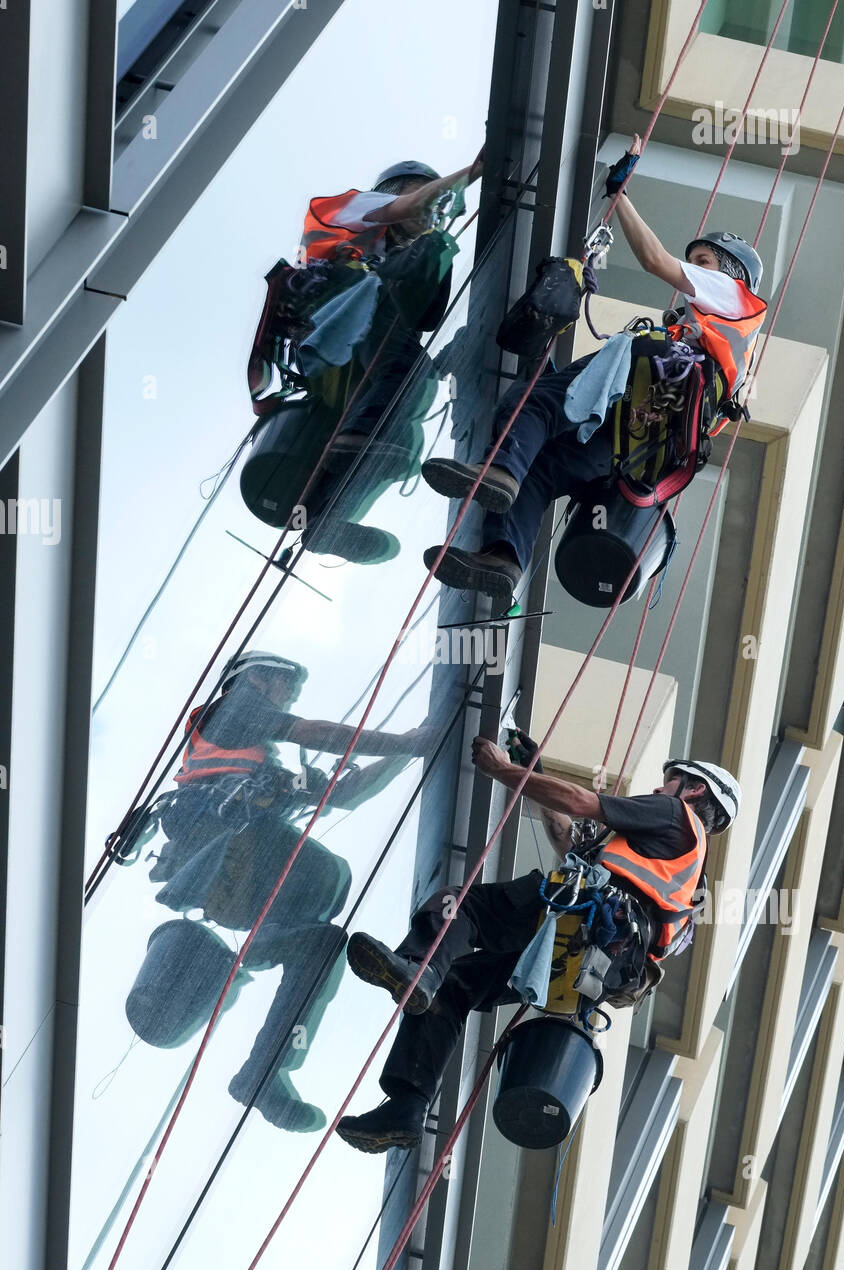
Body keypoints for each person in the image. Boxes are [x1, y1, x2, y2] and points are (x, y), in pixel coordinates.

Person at [336, 734, 740, 1153]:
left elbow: (581, 802)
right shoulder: (688, 881)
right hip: (582, 970)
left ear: (694, 789)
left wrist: (502, 770)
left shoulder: (674, 814)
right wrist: (536, 771)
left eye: (671, 780)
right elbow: (568, 840)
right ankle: (406, 1106)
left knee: (464, 906)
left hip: (581, 915)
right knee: (457, 986)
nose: (659, 788)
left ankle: (416, 968)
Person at [418, 133, 767, 602]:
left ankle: (497, 471)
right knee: (541, 469)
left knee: (537, 402)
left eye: (704, 261)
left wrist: (619, 194)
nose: (695, 270)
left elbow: (653, 259)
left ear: (731, 272)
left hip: (651, 375)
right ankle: (503, 559)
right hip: (640, 440)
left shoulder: (731, 294)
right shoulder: (737, 347)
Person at [129, 650, 430, 1133]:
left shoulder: (267, 774)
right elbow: (310, 731)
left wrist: (410, 748)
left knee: (323, 944)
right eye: (285, 684)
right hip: (218, 853)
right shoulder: (231, 710)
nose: (290, 695)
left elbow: (344, 794)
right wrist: (407, 741)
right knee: (323, 874)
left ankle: (264, 1072)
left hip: (241, 882)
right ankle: (266, 956)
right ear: (257, 678)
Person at [244, 156, 484, 563]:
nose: (427, 209)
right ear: (394, 189)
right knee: (405, 378)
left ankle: (327, 518)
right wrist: (468, 175)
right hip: (334, 313)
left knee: (405, 429)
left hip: (355, 357)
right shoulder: (352, 207)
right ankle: (360, 438)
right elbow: (407, 209)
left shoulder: (410, 257)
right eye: (418, 191)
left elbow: (421, 322)